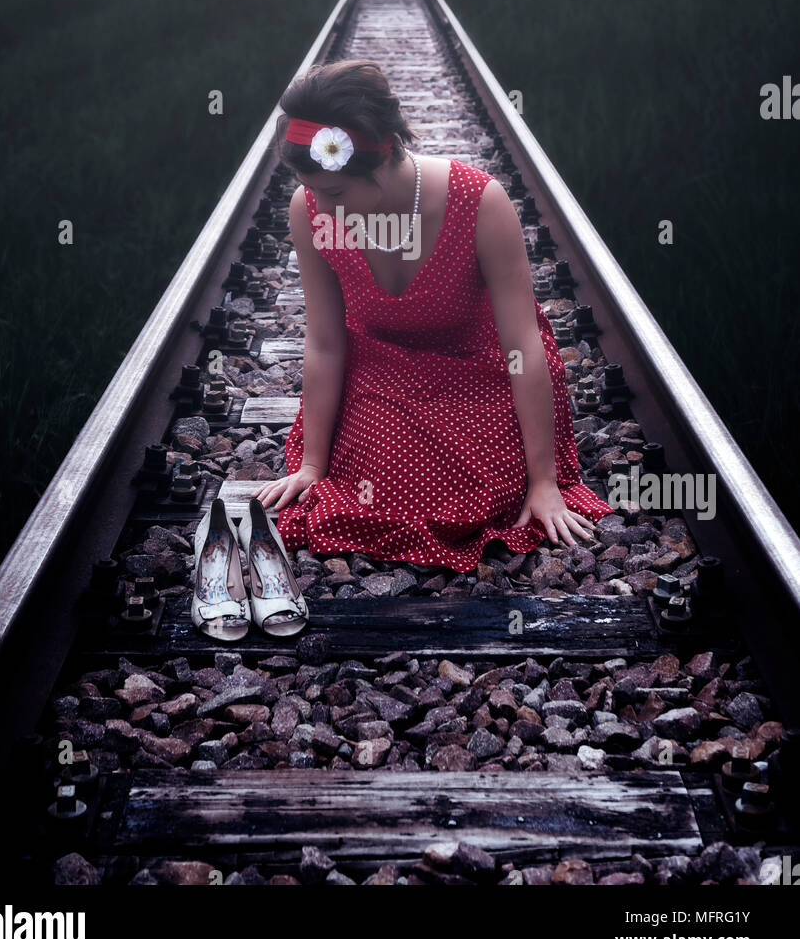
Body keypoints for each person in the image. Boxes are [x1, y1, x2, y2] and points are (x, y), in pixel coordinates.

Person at [255, 60, 613, 572]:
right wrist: (313, 463)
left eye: (334, 193)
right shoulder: (309, 209)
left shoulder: (479, 202)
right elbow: (325, 341)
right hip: (381, 370)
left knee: (486, 487)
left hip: (482, 368)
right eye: (310, 189)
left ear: (381, 161)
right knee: (376, 484)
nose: (321, 207)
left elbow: (523, 346)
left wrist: (544, 482)